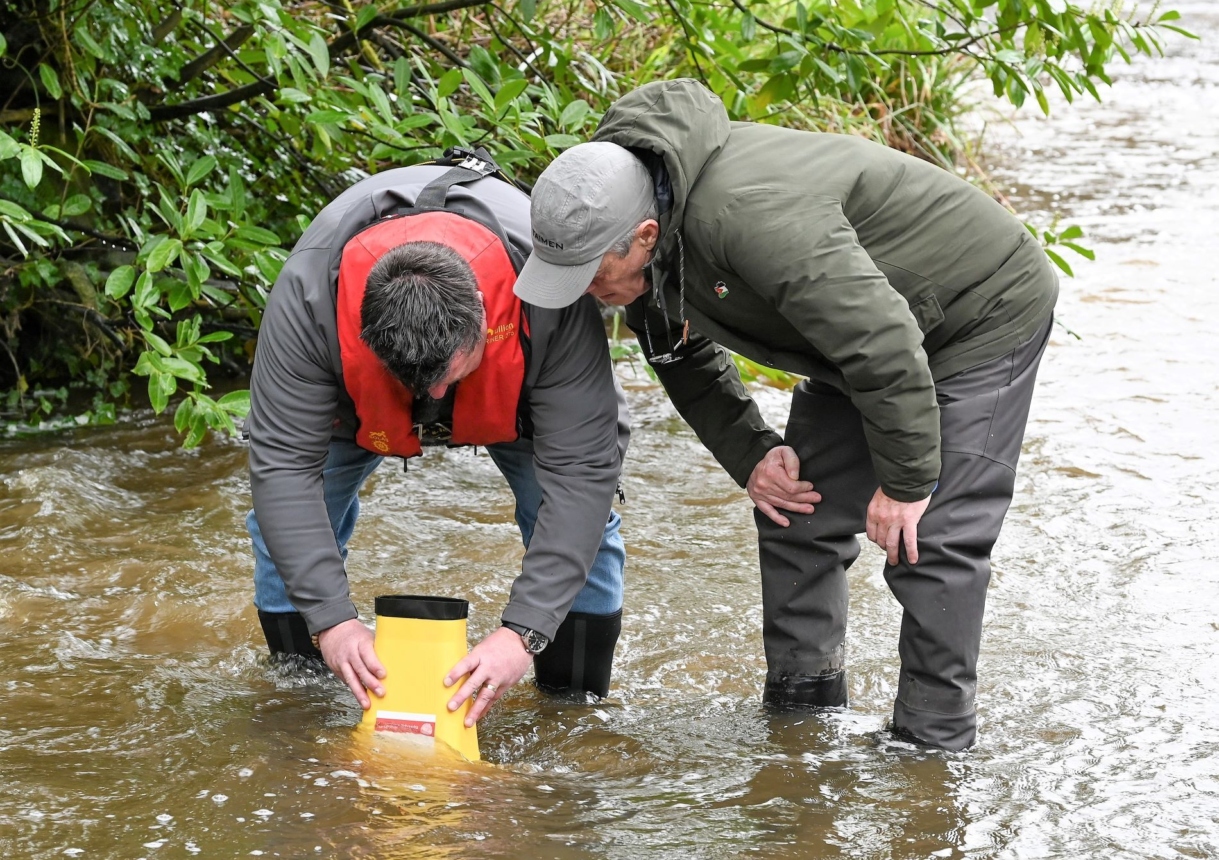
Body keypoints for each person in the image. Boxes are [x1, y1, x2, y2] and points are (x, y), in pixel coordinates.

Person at [513, 81, 1057, 751]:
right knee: (793, 506)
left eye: (591, 274)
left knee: (928, 539)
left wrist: (907, 483)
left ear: (643, 237)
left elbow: (883, 344)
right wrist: (751, 456)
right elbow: (679, 357)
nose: (585, 295)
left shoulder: (749, 215)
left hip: (977, 310)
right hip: (853, 340)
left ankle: (930, 751)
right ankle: (802, 723)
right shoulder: (635, 227)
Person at [245, 150, 629, 727]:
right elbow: (281, 469)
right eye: (422, 383)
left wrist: (521, 634)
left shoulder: (547, 293)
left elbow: (583, 474)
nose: (439, 399)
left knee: (586, 524)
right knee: (285, 526)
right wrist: (332, 622)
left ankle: (574, 712)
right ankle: (301, 704)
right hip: (354, 401)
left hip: (521, 389)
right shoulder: (309, 298)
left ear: (481, 315)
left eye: (453, 375)